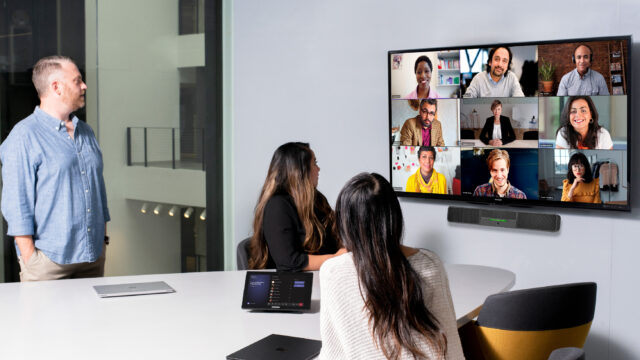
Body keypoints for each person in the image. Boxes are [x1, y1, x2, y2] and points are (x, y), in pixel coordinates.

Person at [319, 173, 463, 359]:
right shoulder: (430, 263)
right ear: (394, 216)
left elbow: (333, 352)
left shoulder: (332, 271)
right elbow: (450, 345)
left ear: (346, 222)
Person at [0, 56, 110, 281]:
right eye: (77, 80)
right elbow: (16, 204)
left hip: (92, 257)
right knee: (45, 318)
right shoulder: (24, 136)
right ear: (56, 87)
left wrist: (102, 243)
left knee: (92, 318)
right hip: (48, 263)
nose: (84, 86)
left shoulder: (86, 132)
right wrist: (32, 259)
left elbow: (98, 191)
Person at [248, 142, 345, 271]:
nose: (318, 169)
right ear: (300, 171)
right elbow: (289, 261)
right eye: (314, 163)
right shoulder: (277, 206)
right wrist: (335, 259)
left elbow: (334, 239)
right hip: (293, 286)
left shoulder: (317, 200)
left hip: (322, 278)